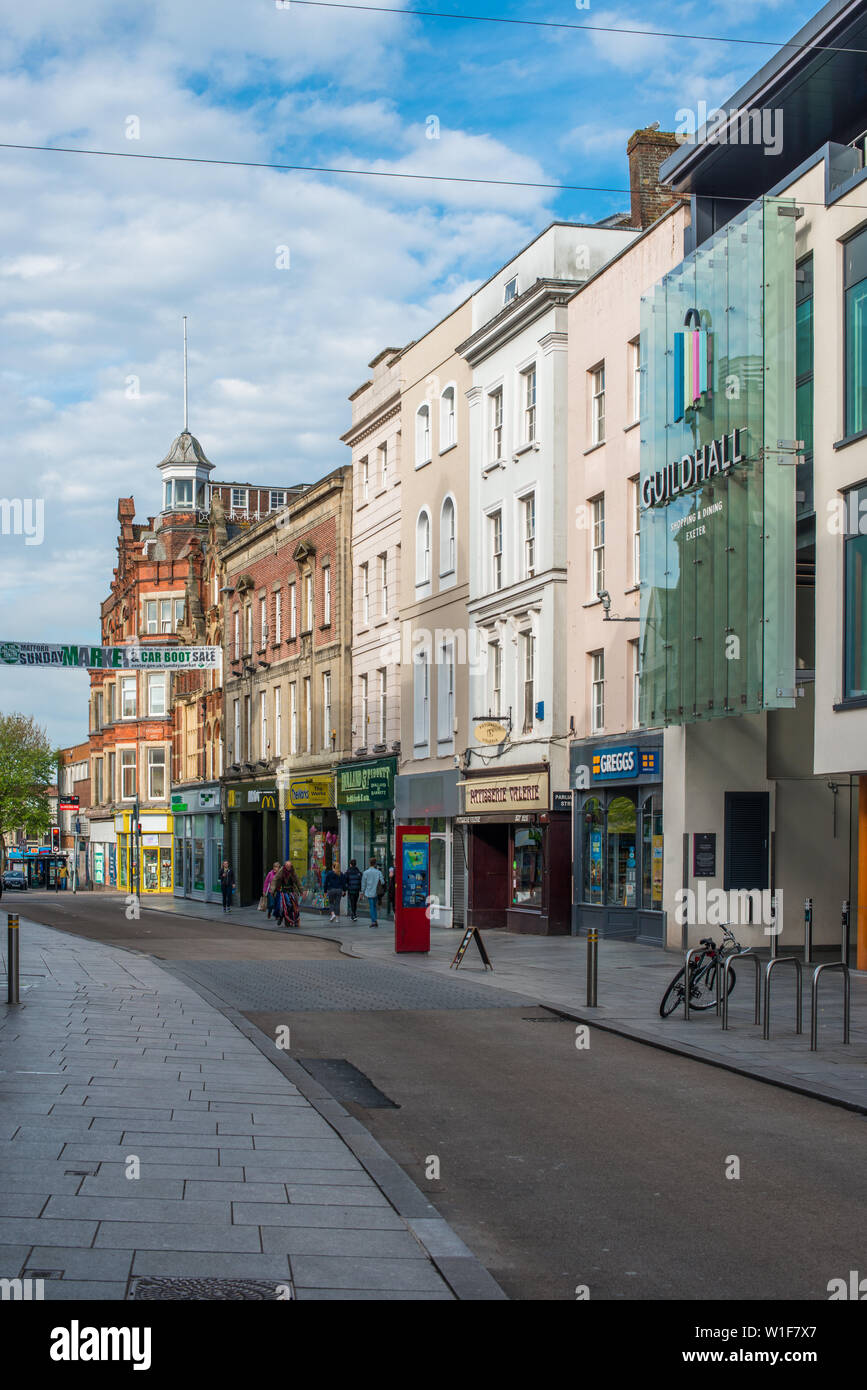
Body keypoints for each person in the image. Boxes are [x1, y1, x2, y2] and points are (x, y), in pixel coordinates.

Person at [361, 857, 384, 927]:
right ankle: (375, 920)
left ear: (369, 863)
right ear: (375, 864)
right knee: (374, 906)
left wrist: (362, 892)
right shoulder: (379, 872)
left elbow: (363, 884)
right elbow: (382, 882)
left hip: (369, 892)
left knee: (371, 907)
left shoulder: (365, 872)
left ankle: (373, 921)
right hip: (376, 892)